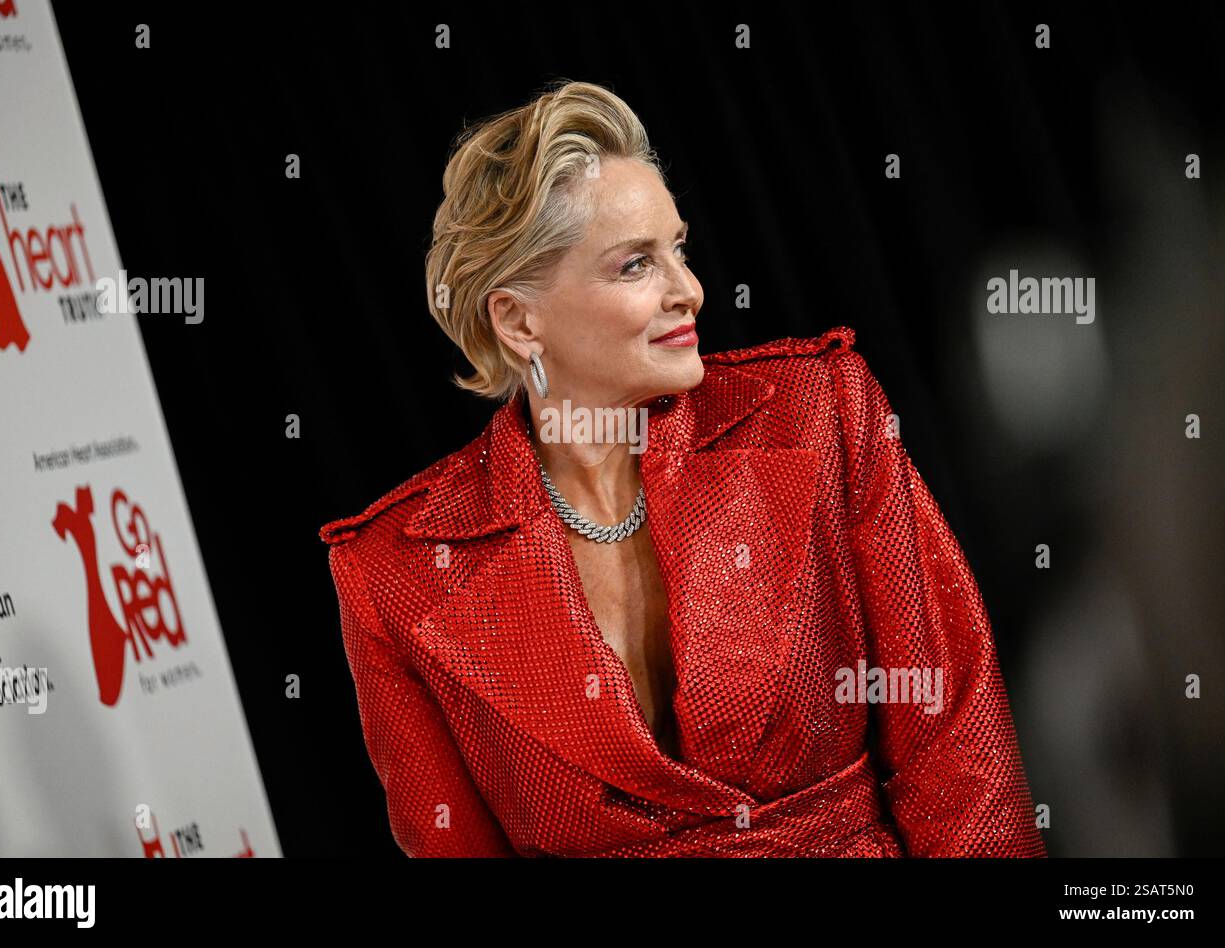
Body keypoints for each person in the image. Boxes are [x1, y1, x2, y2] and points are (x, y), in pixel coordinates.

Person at [320, 79, 1046, 858]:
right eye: (637, 265)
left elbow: (957, 748)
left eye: (680, 250)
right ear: (519, 319)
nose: (689, 291)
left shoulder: (817, 412)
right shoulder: (393, 572)